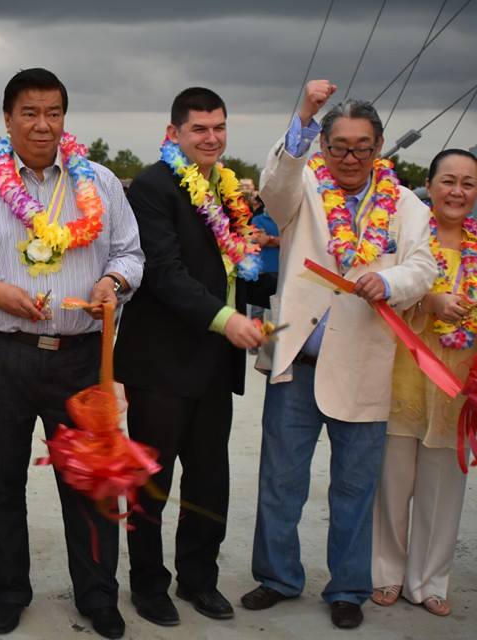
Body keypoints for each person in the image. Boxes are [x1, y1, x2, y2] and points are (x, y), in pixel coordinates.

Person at [0, 68, 144, 639]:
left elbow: (130, 253)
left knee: (88, 482)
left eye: (53, 112)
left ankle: (99, 595)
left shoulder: (97, 182)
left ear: (64, 118)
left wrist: (114, 285)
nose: (42, 124)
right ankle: (8, 591)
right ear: (7, 118)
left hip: (79, 355)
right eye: (29, 112)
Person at [240, 80, 436, 630]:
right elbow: (275, 188)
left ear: (380, 148)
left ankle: (348, 587)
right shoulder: (301, 187)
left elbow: (423, 267)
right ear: (323, 147)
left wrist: (390, 279)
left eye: (363, 147)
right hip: (299, 359)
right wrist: (304, 114)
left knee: (354, 486)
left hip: (364, 366)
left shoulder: (404, 203)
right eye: (339, 146)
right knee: (281, 480)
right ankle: (277, 577)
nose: (350, 158)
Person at [113, 87, 267, 628]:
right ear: (175, 131)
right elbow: (165, 273)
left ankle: (199, 579)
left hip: (214, 363)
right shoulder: (155, 186)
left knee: (209, 479)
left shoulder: (225, 186)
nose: (211, 137)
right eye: (199, 128)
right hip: (161, 363)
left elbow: (236, 259)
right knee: (151, 483)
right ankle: (148, 584)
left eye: (219, 127)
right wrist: (230, 321)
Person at [371, 148, 477, 617]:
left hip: (458, 387)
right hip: (403, 379)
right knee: (393, 483)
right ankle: (386, 573)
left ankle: (430, 581)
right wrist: (428, 302)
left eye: (468, 184)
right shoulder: (407, 239)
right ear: (429, 186)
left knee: (443, 488)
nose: (457, 192)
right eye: (448, 181)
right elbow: (383, 299)